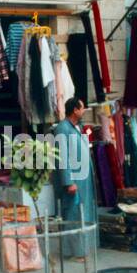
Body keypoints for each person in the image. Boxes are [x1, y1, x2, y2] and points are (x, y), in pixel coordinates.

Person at [51, 97, 98, 258]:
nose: (84, 111)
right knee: (73, 216)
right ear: (75, 110)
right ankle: (73, 252)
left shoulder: (75, 127)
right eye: (82, 108)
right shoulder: (62, 129)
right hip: (73, 182)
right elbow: (62, 158)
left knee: (82, 215)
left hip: (82, 180)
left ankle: (81, 250)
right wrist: (68, 182)